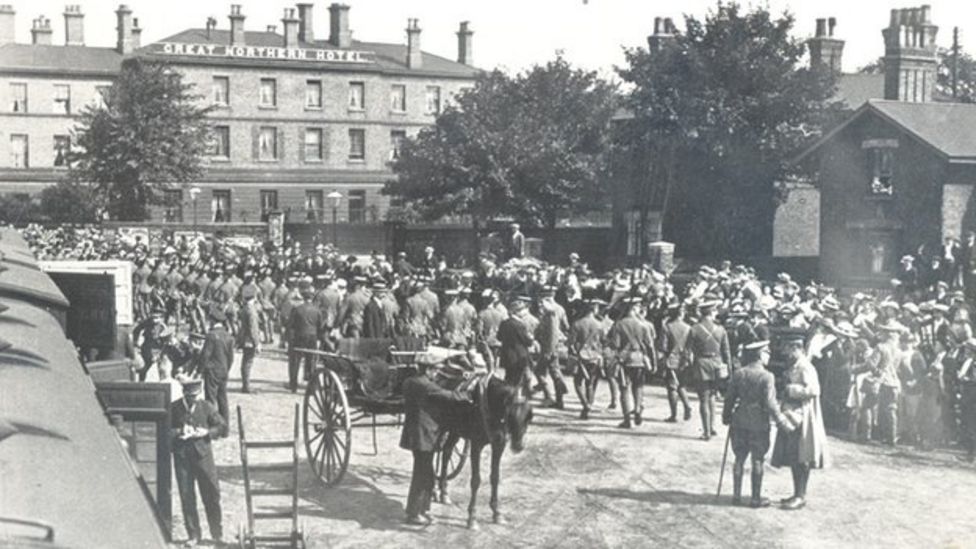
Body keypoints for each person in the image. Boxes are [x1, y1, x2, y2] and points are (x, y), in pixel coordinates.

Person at [723, 337, 795, 508]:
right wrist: (781, 422)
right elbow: (770, 403)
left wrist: (726, 416)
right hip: (758, 422)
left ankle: (736, 497)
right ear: (759, 355)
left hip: (739, 420)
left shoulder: (739, 373)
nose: (768, 355)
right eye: (766, 352)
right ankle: (755, 499)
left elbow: (729, 398)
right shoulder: (767, 376)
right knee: (757, 459)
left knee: (739, 458)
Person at [400, 363, 470, 525]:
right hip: (424, 435)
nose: (437, 374)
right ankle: (413, 513)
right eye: (435, 370)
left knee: (426, 473)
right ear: (427, 370)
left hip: (416, 433)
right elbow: (448, 395)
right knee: (422, 475)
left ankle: (421, 510)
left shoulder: (410, 381)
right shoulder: (425, 385)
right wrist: (467, 395)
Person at [771, 335, 828, 510]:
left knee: (802, 456)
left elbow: (814, 390)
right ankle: (797, 493)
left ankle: (800, 496)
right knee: (794, 456)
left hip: (803, 416)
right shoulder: (794, 365)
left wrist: (791, 389)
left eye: (788, 349)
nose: (786, 353)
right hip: (793, 414)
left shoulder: (806, 367)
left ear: (797, 348)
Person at [171, 378, 226, 547]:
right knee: (186, 495)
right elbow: (164, 430)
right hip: (182, 458)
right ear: (184, 394)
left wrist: (207, 432)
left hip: (203, 457)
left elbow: (222, 426)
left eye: (196, 396)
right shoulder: (174, 408)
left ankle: (217, 534)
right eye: (190, 397)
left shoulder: (206, 407)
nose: (193, 400)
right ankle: (193, 534)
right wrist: (179, 431)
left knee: (211, 493)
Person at [685, 298, 731, 440]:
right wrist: (729, 369)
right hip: (717, 364)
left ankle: (706, 432)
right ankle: (712, 427)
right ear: (712, 312)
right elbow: (726, 352)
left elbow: (687, 352)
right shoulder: (721, 329)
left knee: (703, 398)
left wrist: (689, 367)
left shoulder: (694, 329)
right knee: (712, 396)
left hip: (701, 364)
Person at [609, 297, 657, 428]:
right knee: (638, 386)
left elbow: (615, 344)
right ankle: (637, 409)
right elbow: (650, 346)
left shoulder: (619, 324)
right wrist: (654, 363)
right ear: (635, 308)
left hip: (624, 360)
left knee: (624, 388)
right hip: (640, 359)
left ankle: (627, 420)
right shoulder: (644, 325)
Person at [199, 305, 234, 434]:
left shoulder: (211, 336)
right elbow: (231, 358)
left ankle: (213, 428)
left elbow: (205, 355)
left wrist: (200, 370)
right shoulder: (229, 336)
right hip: (223, 370)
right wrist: (226, 369)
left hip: (212, 371)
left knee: (210, 400)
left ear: (213, 321)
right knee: (223, 399)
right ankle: (225, 429)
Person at [567, 299, 605, 420]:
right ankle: (589, 405)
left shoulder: (577, 324)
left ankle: (585, 404)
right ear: (594, 309)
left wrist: (574, 352)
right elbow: (603, 341)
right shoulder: (600, 324)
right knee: (591, 383)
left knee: (578, 382)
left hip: (581, 356)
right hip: (595, 356)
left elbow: (571, 343)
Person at [659, 301, 693, 423]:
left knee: (672, 388)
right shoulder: (689, 328)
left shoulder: (667, 327)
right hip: (684, 360)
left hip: (671, 360)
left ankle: (674, 415)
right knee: (682, 385)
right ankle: (687, 405)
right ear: (683, 314)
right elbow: (690, 346)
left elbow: (663, 347)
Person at [287, 281, 324, 393]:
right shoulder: (317, 310)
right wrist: (319, 339)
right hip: (312, 337)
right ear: (312, 298)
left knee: (295, 361)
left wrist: (290, 339)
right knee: (311, 361)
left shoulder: (297, 309)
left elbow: (291, 325)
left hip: (299, 336)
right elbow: (320, 326)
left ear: (303, 298)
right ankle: (311, 386)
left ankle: (293, 385)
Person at [498, 297, 535, 396]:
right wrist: (531, 338)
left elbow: (499, 337)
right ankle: (513, 397)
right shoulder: (520, 325)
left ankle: (506, 396)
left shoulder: (504, 323)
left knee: (508, 377)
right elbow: (528, 342)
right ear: (516, 312)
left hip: (507, 355)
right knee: (517, 380)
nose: (524, 312)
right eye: (522, 310)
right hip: (519, 356)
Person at [236, 286, 262, 394]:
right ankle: (246, 386)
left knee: (246, 362)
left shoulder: (244, 308)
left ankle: (245, 384)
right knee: (248, 362)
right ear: (254, 296)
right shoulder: (251, 310)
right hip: (249, 339)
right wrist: (257, 343)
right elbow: (253, 328)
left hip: (245, 337)